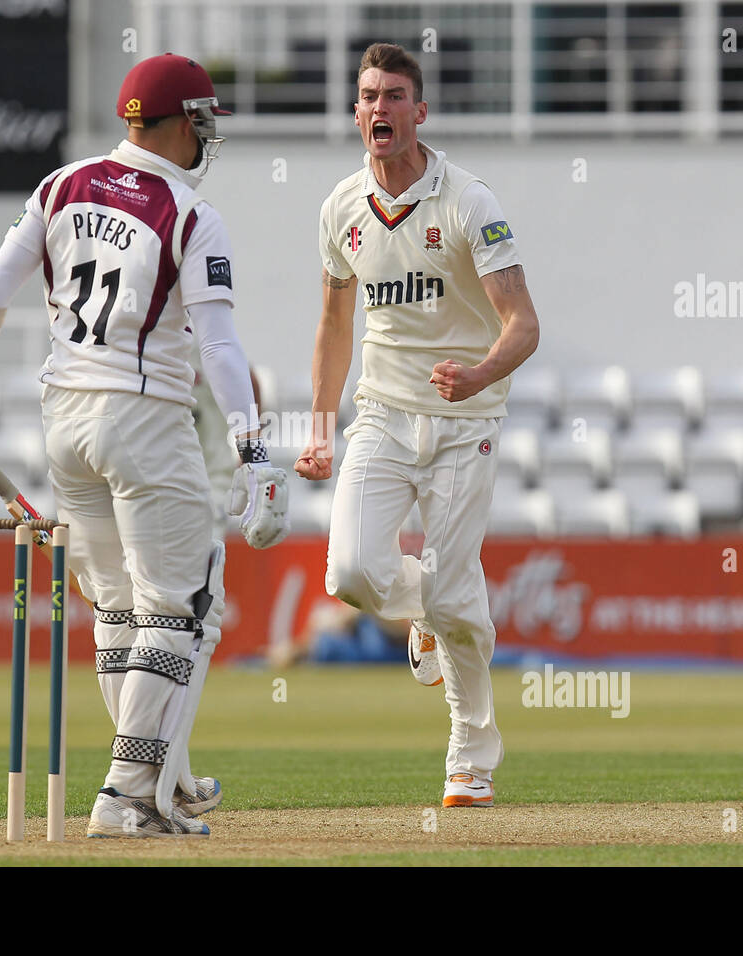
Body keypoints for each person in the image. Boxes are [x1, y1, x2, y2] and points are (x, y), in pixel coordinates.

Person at [0, 53, 289, 838]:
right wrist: (254, 449)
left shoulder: (61, 184)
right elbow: (217, 346)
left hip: (65, 423)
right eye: (203, 121)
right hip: (144, 419)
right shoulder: (189, 212)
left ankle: (168, 774)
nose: (206, 137)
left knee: (119, 610)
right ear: (181, 122)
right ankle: (127, 797)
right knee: (179, 606)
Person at [295, 43, 540, 809]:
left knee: (458, 594)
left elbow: (523, 325)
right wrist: (319, 427)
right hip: (384, 416)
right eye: (368, 96)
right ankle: (420, 615)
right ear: (356, 111)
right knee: (351, 574)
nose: (379, 108)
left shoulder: (470, 202)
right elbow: (336, 326)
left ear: (419, 112)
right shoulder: (341, 208)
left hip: (467, 421)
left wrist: (477, 375)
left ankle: (471, 756)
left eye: (394, 96)